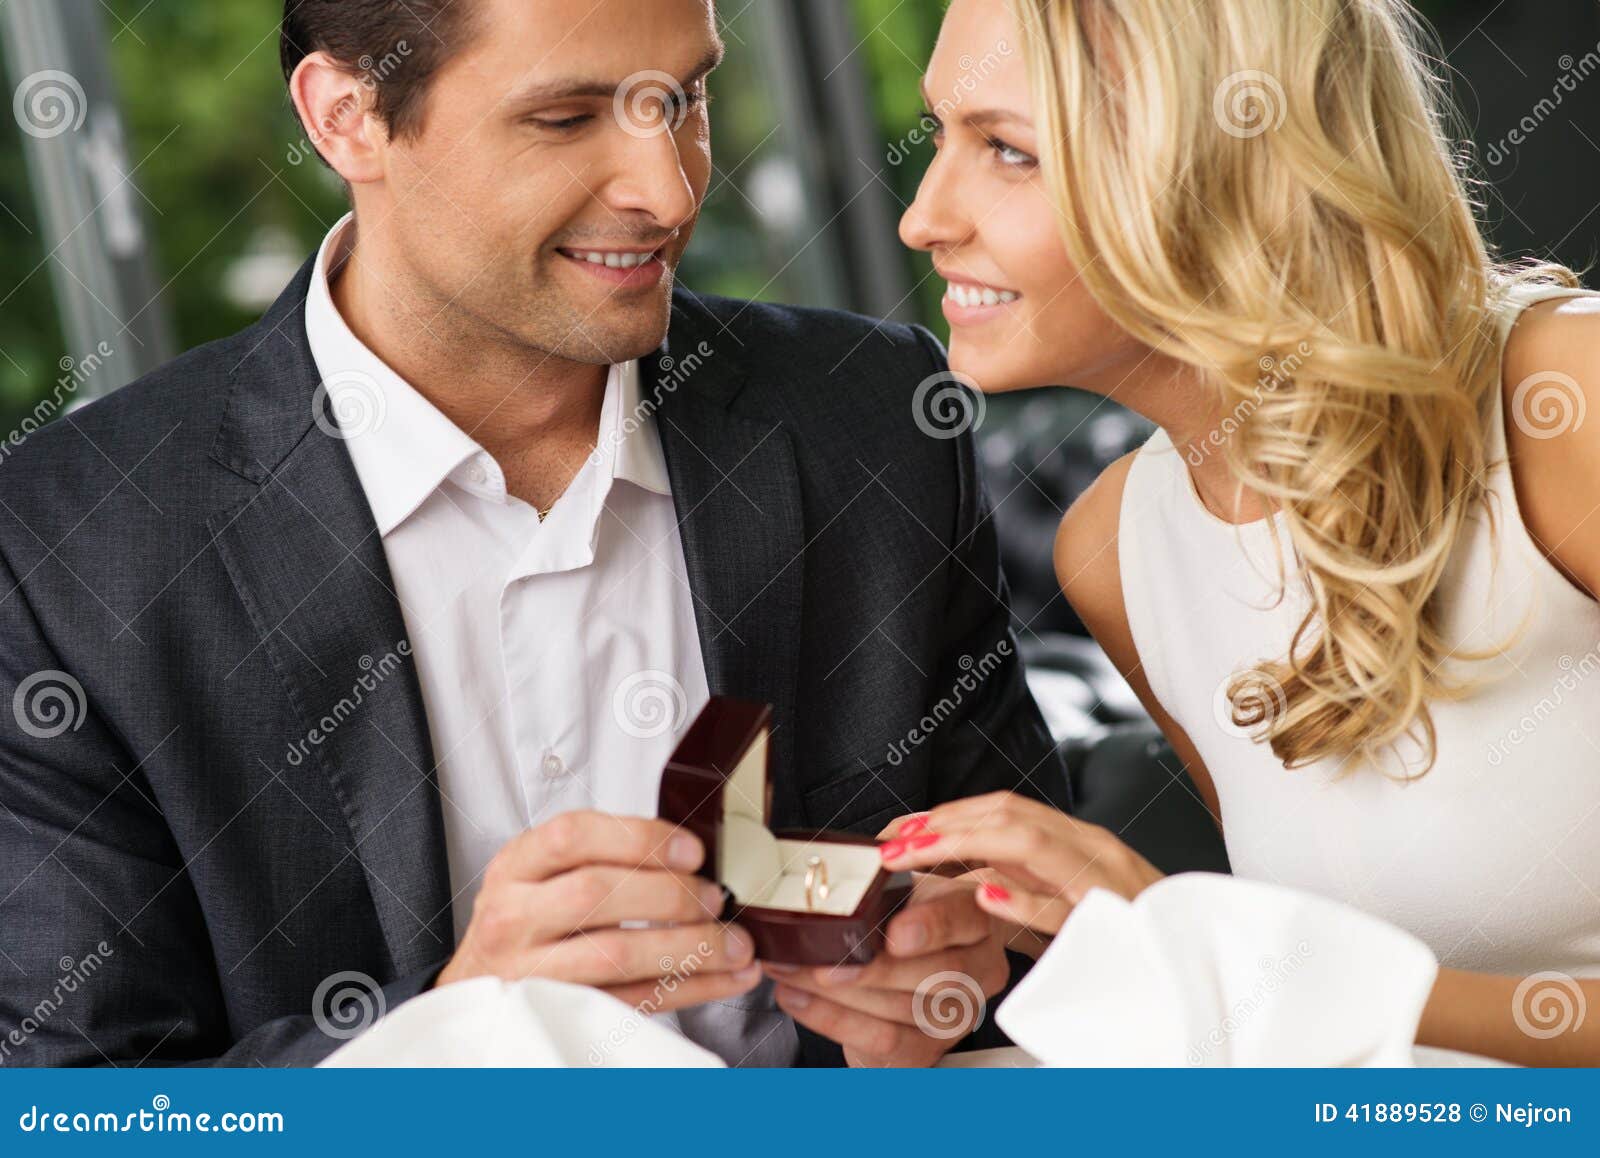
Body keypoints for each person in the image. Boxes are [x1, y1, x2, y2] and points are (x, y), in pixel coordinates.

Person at [0, 0, 1063, 1067]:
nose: (669, 192)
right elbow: (72, 1105)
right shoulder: (66, 546)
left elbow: (1038, 938)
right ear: (344, 117)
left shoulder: (874, 415)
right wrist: (451, 1034)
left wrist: (957, 976)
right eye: (564, 118)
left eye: (681, 100)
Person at [879, 0, 1600, 1066]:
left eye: (1009, 152)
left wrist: (1212, 956)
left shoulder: (1561, 402)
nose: (924, 217)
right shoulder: (1117, 547)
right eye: (941, 136)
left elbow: (1314, 1003)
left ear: (1218, 165)